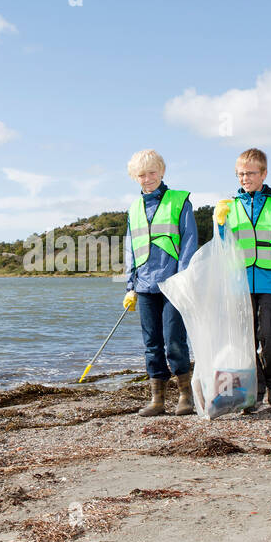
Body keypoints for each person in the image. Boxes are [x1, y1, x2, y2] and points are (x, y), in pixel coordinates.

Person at [214, 148, 271, 410]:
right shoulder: (230, 207)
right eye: (240, 174)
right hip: (239, 285)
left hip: (269, 284)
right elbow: (223, 247)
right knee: (245, 341)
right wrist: (218, 223)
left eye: (250, 173)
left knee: (270, 338)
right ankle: (255, 393)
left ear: (263, 173)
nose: (244, 178)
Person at [123, 149, 198, 416]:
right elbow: (130, 248)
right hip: (144, 286)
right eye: (141, 175)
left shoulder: (180, 201)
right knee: (151, 343)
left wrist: (183, 278)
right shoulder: (133, 208)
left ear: (162, 172)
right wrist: (130, 286)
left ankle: (186, 397)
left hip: (172, 284)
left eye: (152, 172)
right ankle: (157, 400)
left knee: (174, 340)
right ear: (135, 177)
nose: (147, 179)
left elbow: (189, 241)